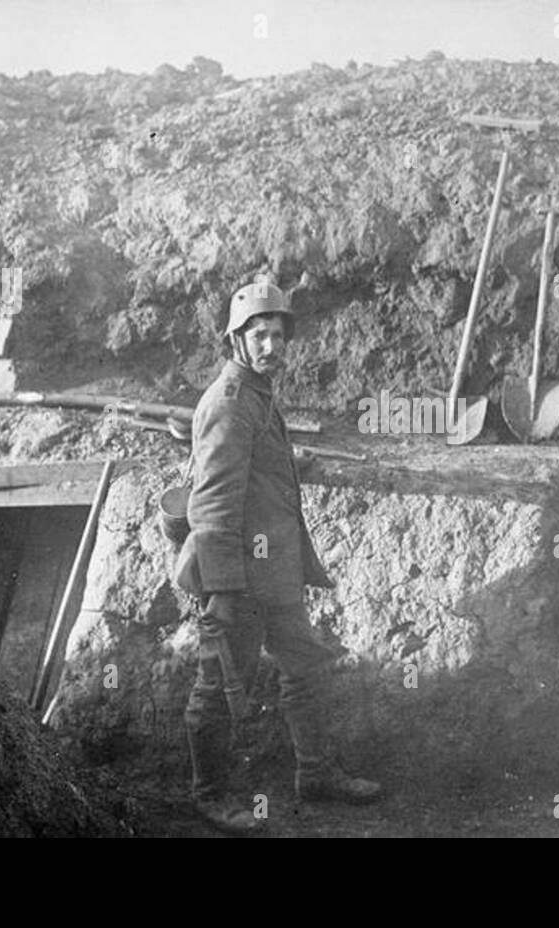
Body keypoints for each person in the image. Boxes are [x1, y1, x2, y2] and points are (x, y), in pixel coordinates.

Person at [173, 281, 382, 836]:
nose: (271, 346)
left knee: (303, 669)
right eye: (259, 336)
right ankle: (209, 794)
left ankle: (315, 772)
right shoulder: (230, 402)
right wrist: (221, 588)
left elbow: (256, 475)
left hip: (277, 573)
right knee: (218, 684)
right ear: (236, 340)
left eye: (278, 335)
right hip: (238, 578)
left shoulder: (258, 394)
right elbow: (213, 503)